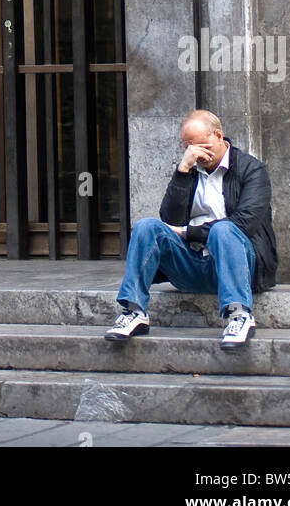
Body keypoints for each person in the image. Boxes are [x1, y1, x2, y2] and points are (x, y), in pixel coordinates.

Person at [105, 109, 278, 349]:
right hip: (192, 265)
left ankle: (239, 315)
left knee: (224, 229)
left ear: (218, 135)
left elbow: (246, 223)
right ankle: (134, 311)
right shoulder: (190, 170)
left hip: (237, 265)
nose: (197, 153)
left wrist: (189, 233)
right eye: (189, 147)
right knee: (147, 226)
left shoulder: (251, 170)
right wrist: (182, 172)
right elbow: (170, 218)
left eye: (201, 145)